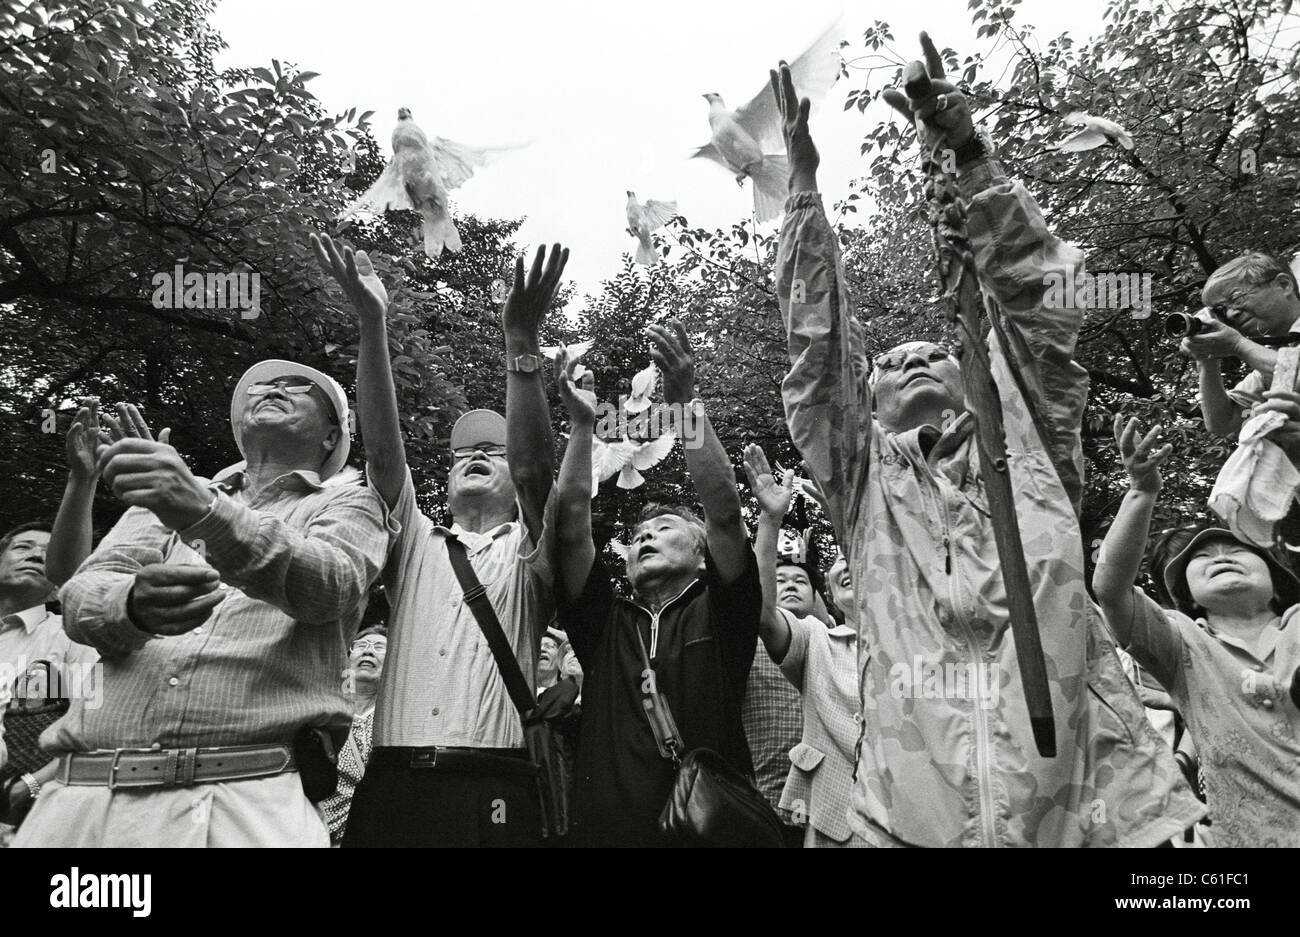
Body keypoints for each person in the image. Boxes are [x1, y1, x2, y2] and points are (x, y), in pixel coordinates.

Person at [770, 38, 1205, 846]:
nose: (907, 359)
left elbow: (1035, 302)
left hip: (1090, 807)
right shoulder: (862, 484)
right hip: (914, 814)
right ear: (867, 403)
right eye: (889, 362)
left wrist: (968, 157)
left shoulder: (1031, 445)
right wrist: (802, 192)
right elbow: (816, 355)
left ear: (969, 373)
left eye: (930, 350)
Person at [14, 362, 391, 848]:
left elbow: (329, 585)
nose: (275, 388)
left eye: (299, 388)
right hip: (80, 798)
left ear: (330, 437)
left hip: (247, 795)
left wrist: (201, 511)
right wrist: (128, 606)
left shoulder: (350, 504)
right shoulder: (160, 498)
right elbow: (79, 595)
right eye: (263, 385)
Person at [313, 234, 568, 848]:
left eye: (492, 451)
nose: (476, 455)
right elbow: (381, 447)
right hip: (393, 784)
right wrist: (372, 324)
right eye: (463, 453)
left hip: (494, 784)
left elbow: (537, 471)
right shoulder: (414, 542)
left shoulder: (532, 548)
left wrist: (521, 347)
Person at [550, 331, 761, 847]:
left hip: (712, 833)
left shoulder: (723, 612)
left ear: (699, 553)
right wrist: (582, 428)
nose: (646, 536)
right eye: (641, 534)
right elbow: (571, 524)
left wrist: (685, 405)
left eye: (665, 530)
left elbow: (726, 511)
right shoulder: (604, 624)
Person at [1093, 409, 1300, 846]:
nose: (1221, 555)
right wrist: (1140, 493)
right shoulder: (1183, 645)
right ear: (1185, 596)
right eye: (1201, 559)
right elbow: (1111, 590)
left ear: (1275, 576)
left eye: (1237, 550)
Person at [744, 444, 863, 847]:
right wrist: (770, 518)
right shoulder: (816, 641)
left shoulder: (919, 643)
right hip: (836, 827)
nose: (846, 564)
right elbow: (760, 612)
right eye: (838, 563)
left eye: (857, 558)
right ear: (830, 591)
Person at [1179, 252, 1300, 437]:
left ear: (1284, 284)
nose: (1230, 315)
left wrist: (1237, 345)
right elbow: (1223, 422)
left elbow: (1295, 375)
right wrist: (1206, 358)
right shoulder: (1271, 360)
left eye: (1236, 299)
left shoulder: (1267, 361)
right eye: (1222, 310)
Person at [321, 625, 387, 846]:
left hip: (372, 833)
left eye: (379, 647)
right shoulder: (325, 709)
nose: (368, 651)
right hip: (318, 833)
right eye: (361, 646)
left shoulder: (393, 718)